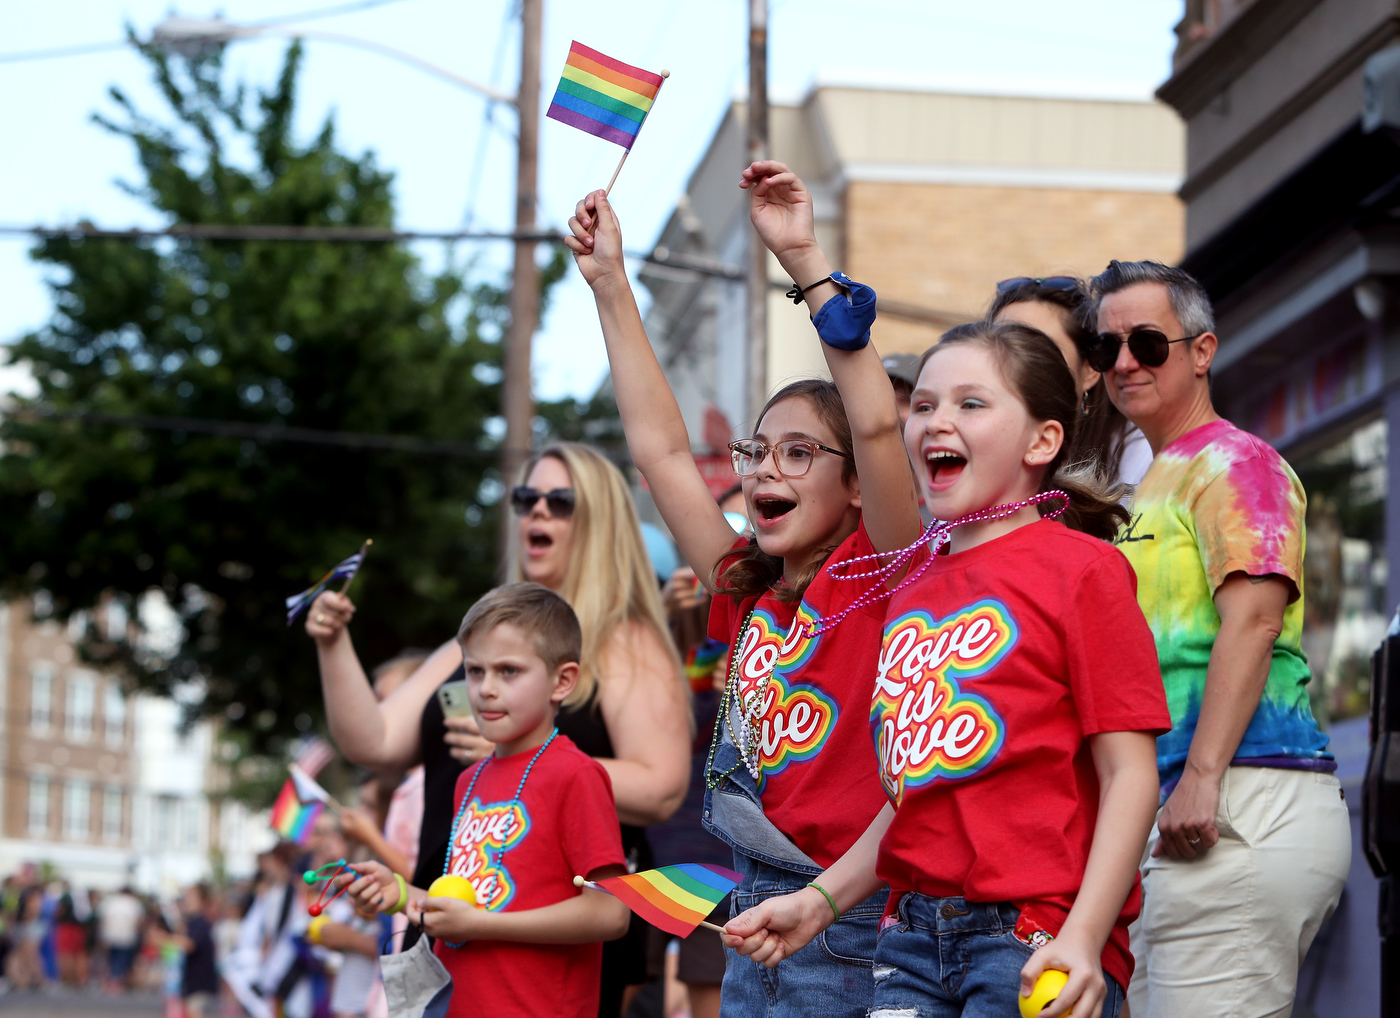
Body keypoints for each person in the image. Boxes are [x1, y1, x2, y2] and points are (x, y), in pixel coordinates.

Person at [720, 161, 1169, 1018]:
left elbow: (1130, 777)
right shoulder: (915, 576)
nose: (936, 423)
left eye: (972, 404)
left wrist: (1082, 935)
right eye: (925, 404)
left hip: (1032, 936)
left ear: (1043, 438)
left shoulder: (1083, 568)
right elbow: (918, 797)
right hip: (907, 938)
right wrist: (819, 903)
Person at [567, 173, 923, 1018]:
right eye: (760, 450)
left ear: (860, 490)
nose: (764, 466)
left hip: (849, 915)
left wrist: (802, 257)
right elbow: (660, 453)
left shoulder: (887, 573)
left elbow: (876, 427)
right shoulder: (751, 594)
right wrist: (611, 284)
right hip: (750, 907)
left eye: (799, 454)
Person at [307, 441, 690, 1016]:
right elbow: (372, 742)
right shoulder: (485, 634)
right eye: (525, 497)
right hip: (452, 927)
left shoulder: (625, 638)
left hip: (543, 952)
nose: (536, 510)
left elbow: (661, 788)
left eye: (559, 500)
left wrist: (522, 759)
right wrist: (333, 644)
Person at [1087, 259, 1352, 1018]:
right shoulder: (1158, 479)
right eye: (1107, 349)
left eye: (1147, 341)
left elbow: (1256, 618)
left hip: (1235, 798)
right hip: (1189, 810)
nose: (1125, 362)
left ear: (1202, 351)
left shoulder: (1236, 462)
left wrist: (1202, 776)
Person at [341, 583, 631, 1018]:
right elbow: (468, 906)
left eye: (508, 671)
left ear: (562, 680)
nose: (486, 689)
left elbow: (611, 912)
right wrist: (400, 893)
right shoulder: (468, 780)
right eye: (474, 671)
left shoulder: (576, 774)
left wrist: (482, 925)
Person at [988, 277, 1152, 488]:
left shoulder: (1141, 460)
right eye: (997, 352)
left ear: (1090, 370)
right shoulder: (962, 450)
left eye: (1041, 354)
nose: (1016, 369)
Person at [173, 884, 220, 1018]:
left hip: (200, 981)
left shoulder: (201, 921)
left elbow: (190, 945)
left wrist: (164, 939)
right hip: (192, 980)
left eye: (191, 897)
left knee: (194, 1011)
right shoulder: (191, 921)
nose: (187, 901)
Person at [98, 885, 142, 992]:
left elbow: (103, 919)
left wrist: (102, 936)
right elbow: (138, 921)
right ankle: (117, 981)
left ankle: (112, 980)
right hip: (127, 936)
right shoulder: (133, 903)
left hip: (110, 935)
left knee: (112, 960)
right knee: (123, 960)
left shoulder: (110, 902)